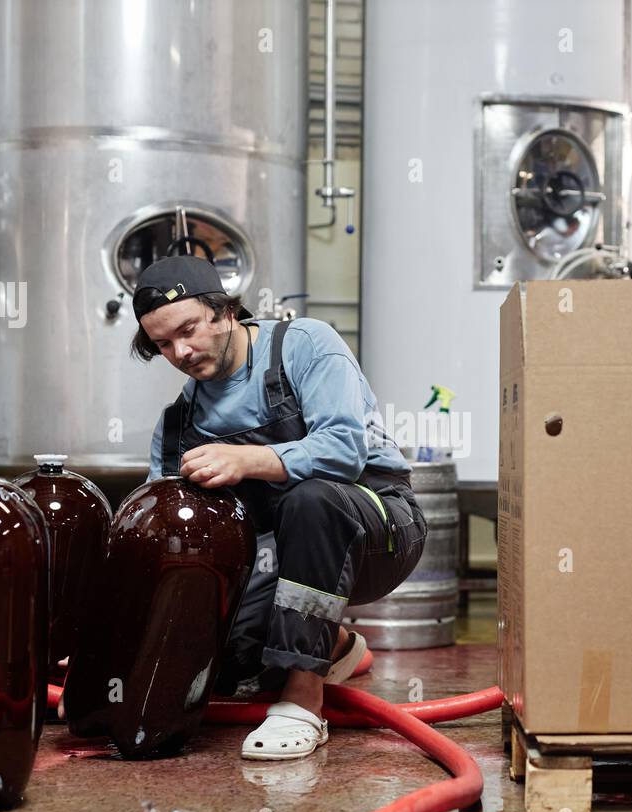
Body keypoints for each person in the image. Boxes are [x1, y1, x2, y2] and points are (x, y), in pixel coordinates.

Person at [132, 255, 425, 760]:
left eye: (189, 329)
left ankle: (304, 702)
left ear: (224, 312)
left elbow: (342, 450)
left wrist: (249, 458)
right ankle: (331, 645)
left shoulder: (304, 344)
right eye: (163, 344)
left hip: (378, 525)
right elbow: (158, 538)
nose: (181, 351)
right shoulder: (178, 426)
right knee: (229, 665)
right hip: (282, 562)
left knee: (311, 498)